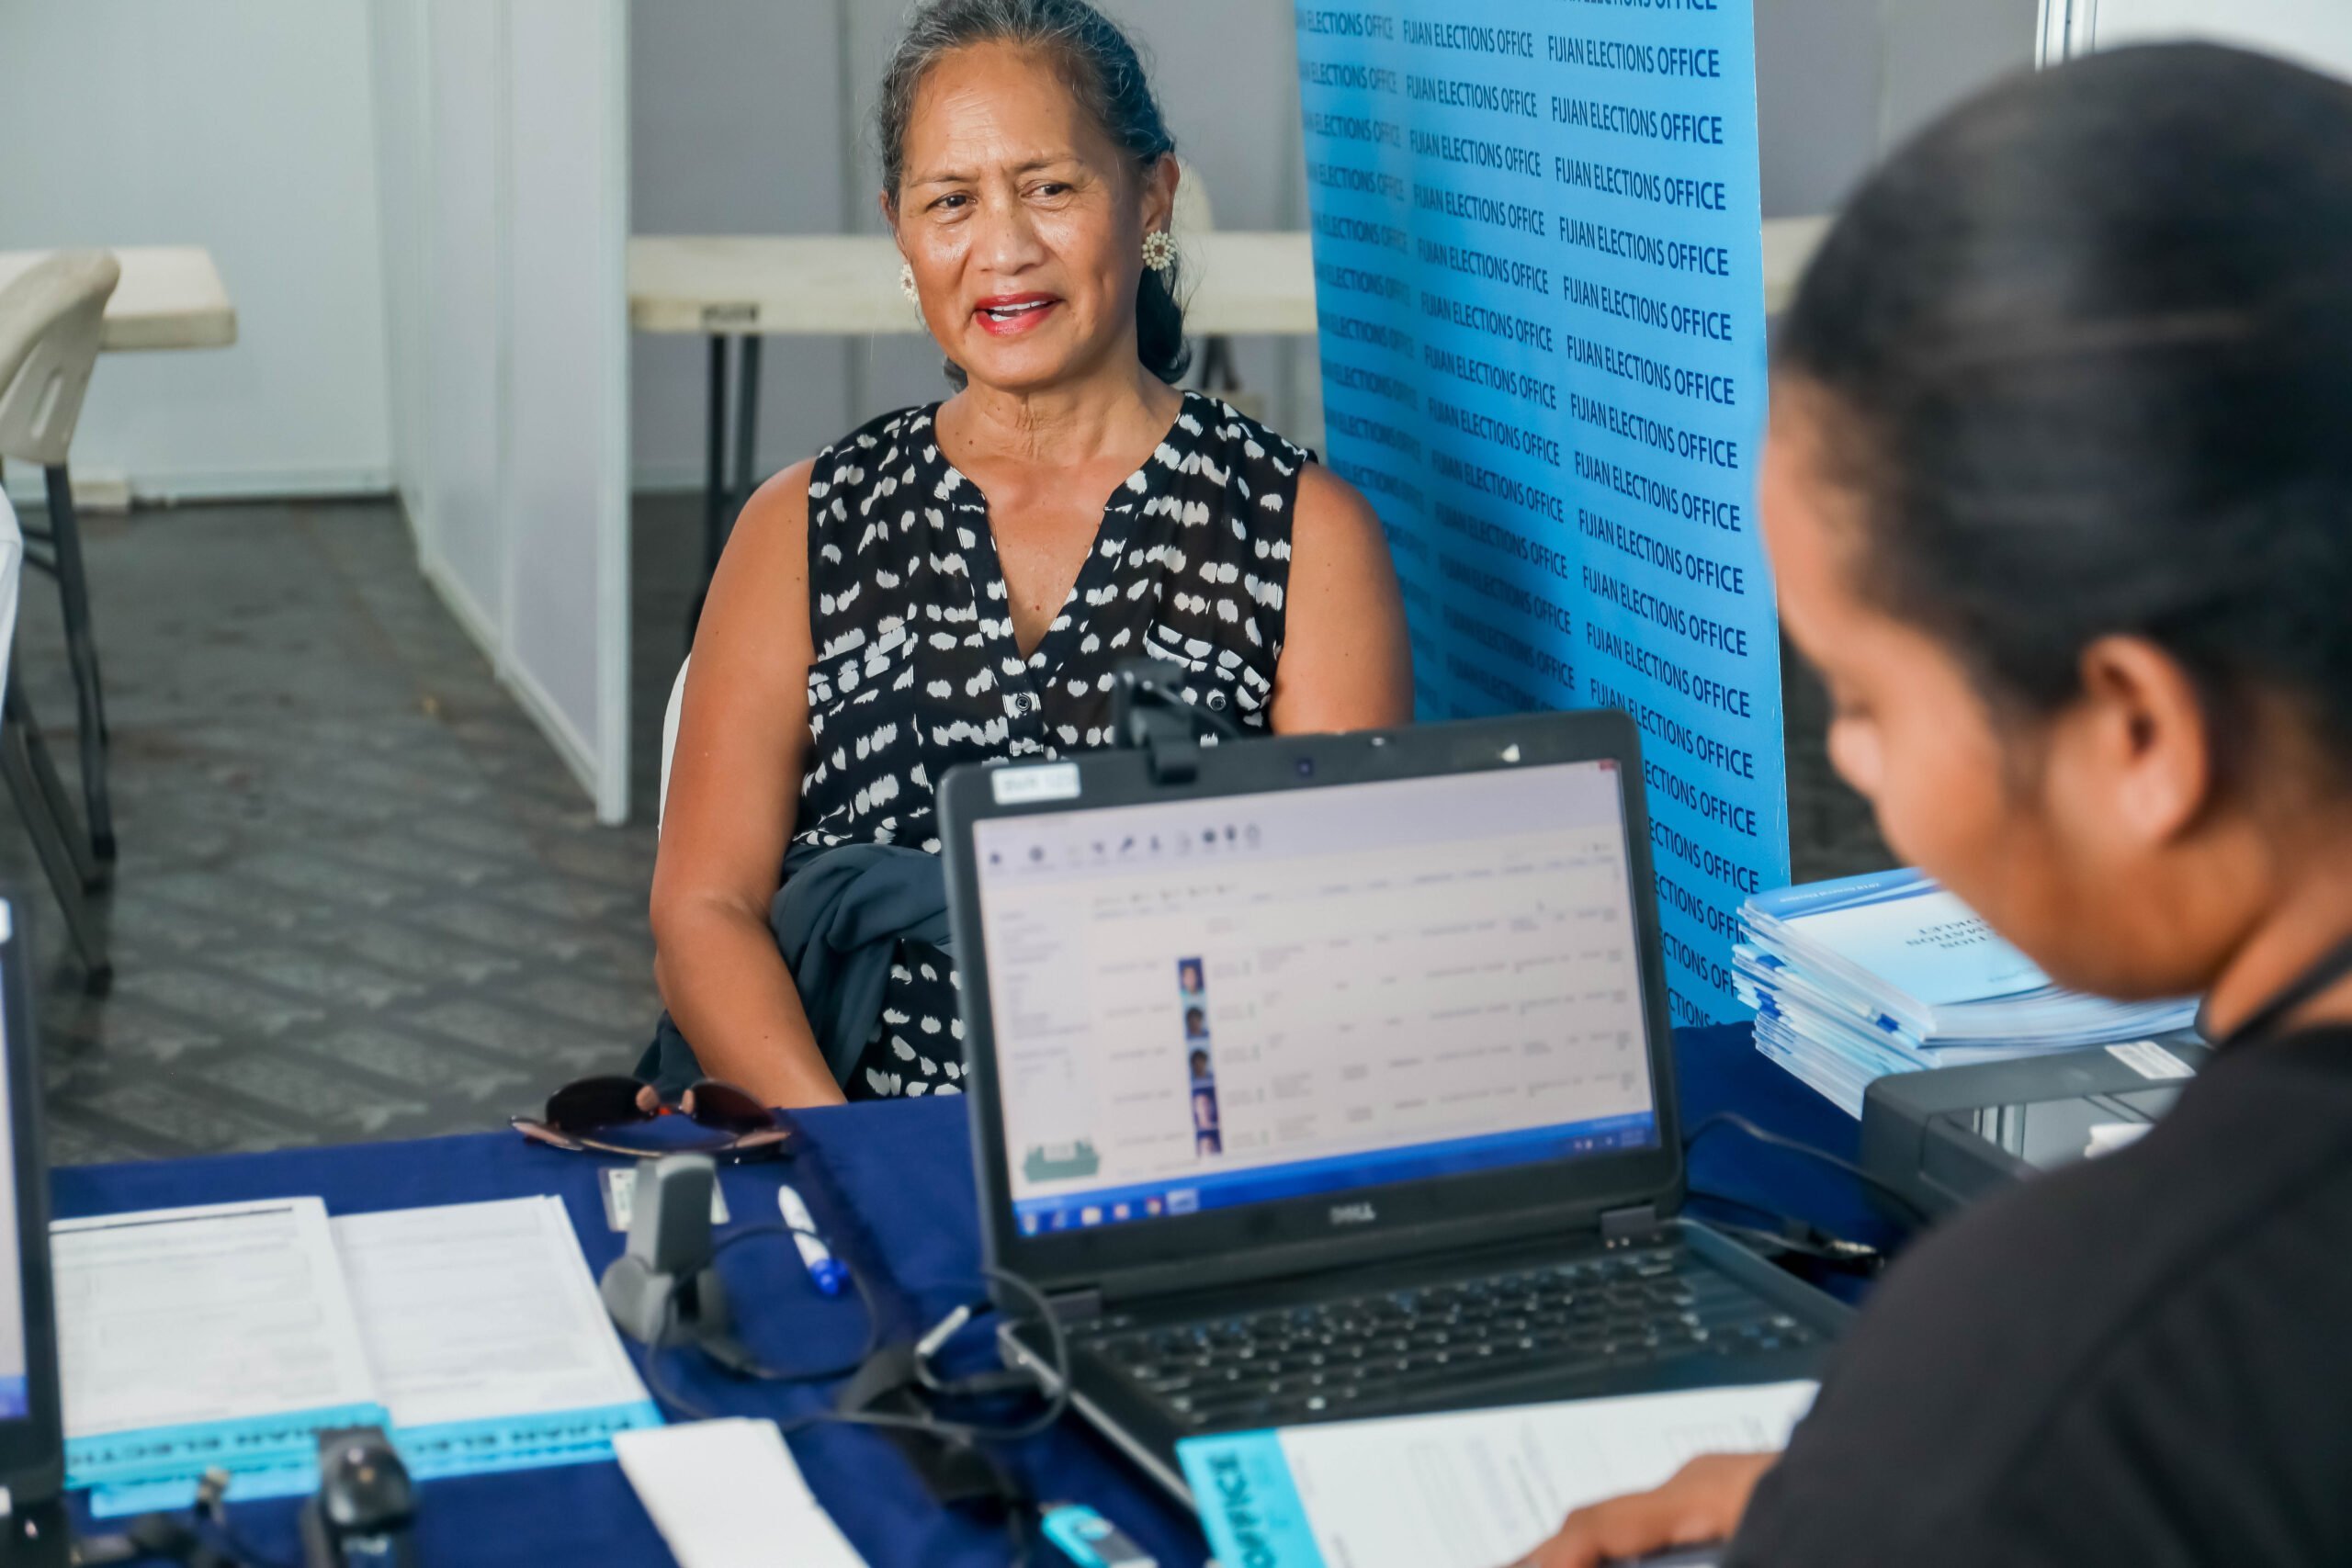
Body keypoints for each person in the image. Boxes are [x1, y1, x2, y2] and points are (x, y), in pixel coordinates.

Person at [1524, 43, 2352, 1568]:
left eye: (1865, 695)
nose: (1850, 762)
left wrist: (1909, 1480)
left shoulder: (2067, 1360)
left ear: (2139, 728)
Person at [648, 0, 1410, 1107]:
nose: (1002, 249)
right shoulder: (803, 522)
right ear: (901, 232)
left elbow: (1334, 934)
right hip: (841, 1139)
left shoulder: (1297, 530)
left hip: (1187, 1147)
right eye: (950, 201)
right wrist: (858, 1163)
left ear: (1151, 195)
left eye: (1050, 187)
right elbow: (701, 910)